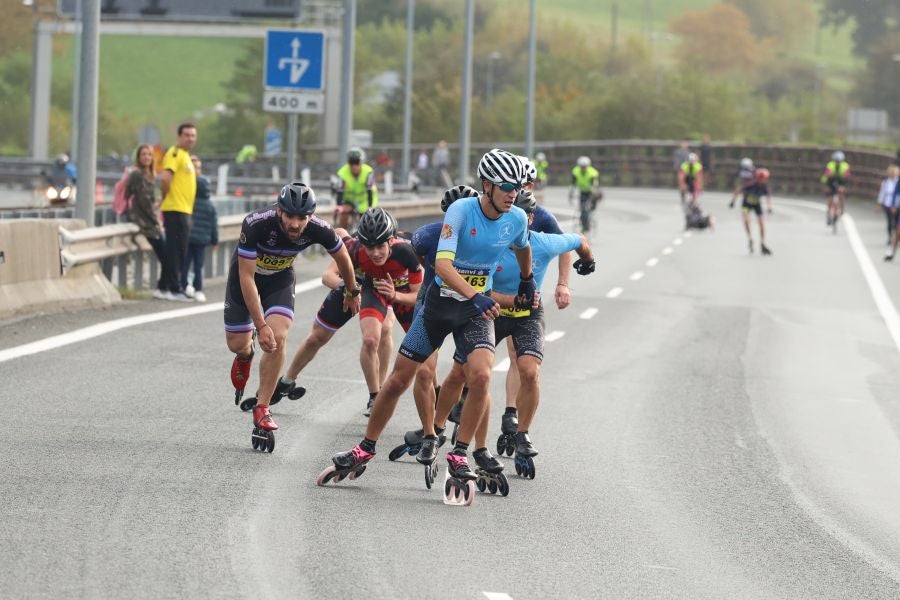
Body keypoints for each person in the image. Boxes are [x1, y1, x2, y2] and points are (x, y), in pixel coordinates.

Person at [317, 148, 536, 505]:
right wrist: (475, 294)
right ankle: (365, 448)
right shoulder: (461, 211)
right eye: (506, 185)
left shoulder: (516, 218)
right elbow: (445, 266)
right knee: (400, 379)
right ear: (487, 185)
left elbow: (523, 246)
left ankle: (460, 452)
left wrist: (526, 280)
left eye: (516, 186)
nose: (513, 192)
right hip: (439, 305)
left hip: (473, 313)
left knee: (480, 376)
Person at [435, 189, 596, 483]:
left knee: (530, 372)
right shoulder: (488, 246)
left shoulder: (543, 242)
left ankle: (522, 433)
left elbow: (579, 240)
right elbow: (475, 287)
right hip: (492, 310)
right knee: (461, 373)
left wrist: (586, 262)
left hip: (526, 318)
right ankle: (436, 430)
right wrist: (509, 301)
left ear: (528, 220)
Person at [226, 182, 360, 450]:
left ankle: (262, 407)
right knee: (237, 344)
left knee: (278, 337)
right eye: (291, 216)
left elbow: (343, 256)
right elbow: (246, 277)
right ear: (279, 211)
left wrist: (352, 289)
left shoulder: (318, 228)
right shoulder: (256, 224)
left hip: (280, 279)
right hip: (247, 278)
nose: (296, 224)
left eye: (302, 218)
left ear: (310, 216)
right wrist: (260, 324)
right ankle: (245, 354)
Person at [279, 207, 423, 416]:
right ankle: (287, 380)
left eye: (380, 245)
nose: (374, 253)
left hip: (391, 289)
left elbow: (419, 294)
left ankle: (377, 393)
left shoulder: (407, 251)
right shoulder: (353, 248)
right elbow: (328, 276)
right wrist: (351, 290)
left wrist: (396, 296)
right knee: (316, 337)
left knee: (383, 330)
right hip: (355, 285)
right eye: (368, 246)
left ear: (392, 240)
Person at [159, 123, 198, 301]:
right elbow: (166, 177)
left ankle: (163, 286)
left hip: (183, 209)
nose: (190, 138)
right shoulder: (175, 153)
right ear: (179, 136)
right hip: (175, 209)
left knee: (175, 250)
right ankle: (174, 288)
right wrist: (166, 197)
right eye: (187, 135)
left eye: (193, 135)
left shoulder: (185, 155)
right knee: (177, 250)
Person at [124, 144, 168, 296]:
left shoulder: (151, 175)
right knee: (166, 255)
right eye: (143, 155)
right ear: (138, 157)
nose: (146, 157)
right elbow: (131, 196)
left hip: (152, 220)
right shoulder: (136, 174)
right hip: (144, 222)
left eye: (149, 155)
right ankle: (162, 288)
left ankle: (163, 287)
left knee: (166, 255)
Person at [182, 155, 218, 303]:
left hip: (189, 237)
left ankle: (184, 285)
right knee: (199, 265)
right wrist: (214, 241)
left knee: (186, 262)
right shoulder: (210, 206)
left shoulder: (189, 202)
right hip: (202, 241)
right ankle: (198, 289)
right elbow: (214, 225)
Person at [730, 167, 773, 255]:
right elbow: (738, 190)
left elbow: (769, 198)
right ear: (758, 178)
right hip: (746, 204)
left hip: (756, 205)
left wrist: (769, 207)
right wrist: (733, 202)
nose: (763, 181)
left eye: (765, 179)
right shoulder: (751, 185)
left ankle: (762, 243)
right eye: (762, 179)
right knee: (746, 220)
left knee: (761, 223)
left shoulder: (765, 187)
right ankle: (750, 238)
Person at [334, 148, 378, 230]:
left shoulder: (368, 172)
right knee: (343, 214)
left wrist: (370, 206)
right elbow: (340, 190)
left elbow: (369, 190)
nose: (354, 166)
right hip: (349, 200)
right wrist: (339, 205)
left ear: (361, 162)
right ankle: (342, 237)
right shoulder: (342, 172)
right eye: (351, 163)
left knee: (367, 222)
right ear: (348, 163)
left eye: (357, 162)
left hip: (365, 200)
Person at [569, 156, 600, 232]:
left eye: (585, 167)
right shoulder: (575, 172)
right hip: (583, 192)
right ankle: (584, 225)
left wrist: (593, 192)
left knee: (591, 205)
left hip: (591, 192)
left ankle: (592, 211)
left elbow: (595, 185)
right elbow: (573, 184)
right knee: (583, 209)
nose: (583, 168)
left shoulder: (592, 173)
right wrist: (571, 193)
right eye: (582, 167)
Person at [821, 151, 851, 227]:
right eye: (836, 161)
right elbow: (827, 176)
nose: (838, 162)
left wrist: (844, 187)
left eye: (839, 161)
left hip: (841, 181)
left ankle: (842, 207)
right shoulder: (830, 165)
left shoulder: (845, 166)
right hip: (830, 181)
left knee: (842, 194)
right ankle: (828, 215)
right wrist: (826, 186)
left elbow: (847, 177)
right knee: (830, 200)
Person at [880, 166, 900, 260]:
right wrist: (893, 205)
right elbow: (895, 194)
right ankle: (892, 252)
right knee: (897, 230)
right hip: (895, 206)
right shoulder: (896, 182)